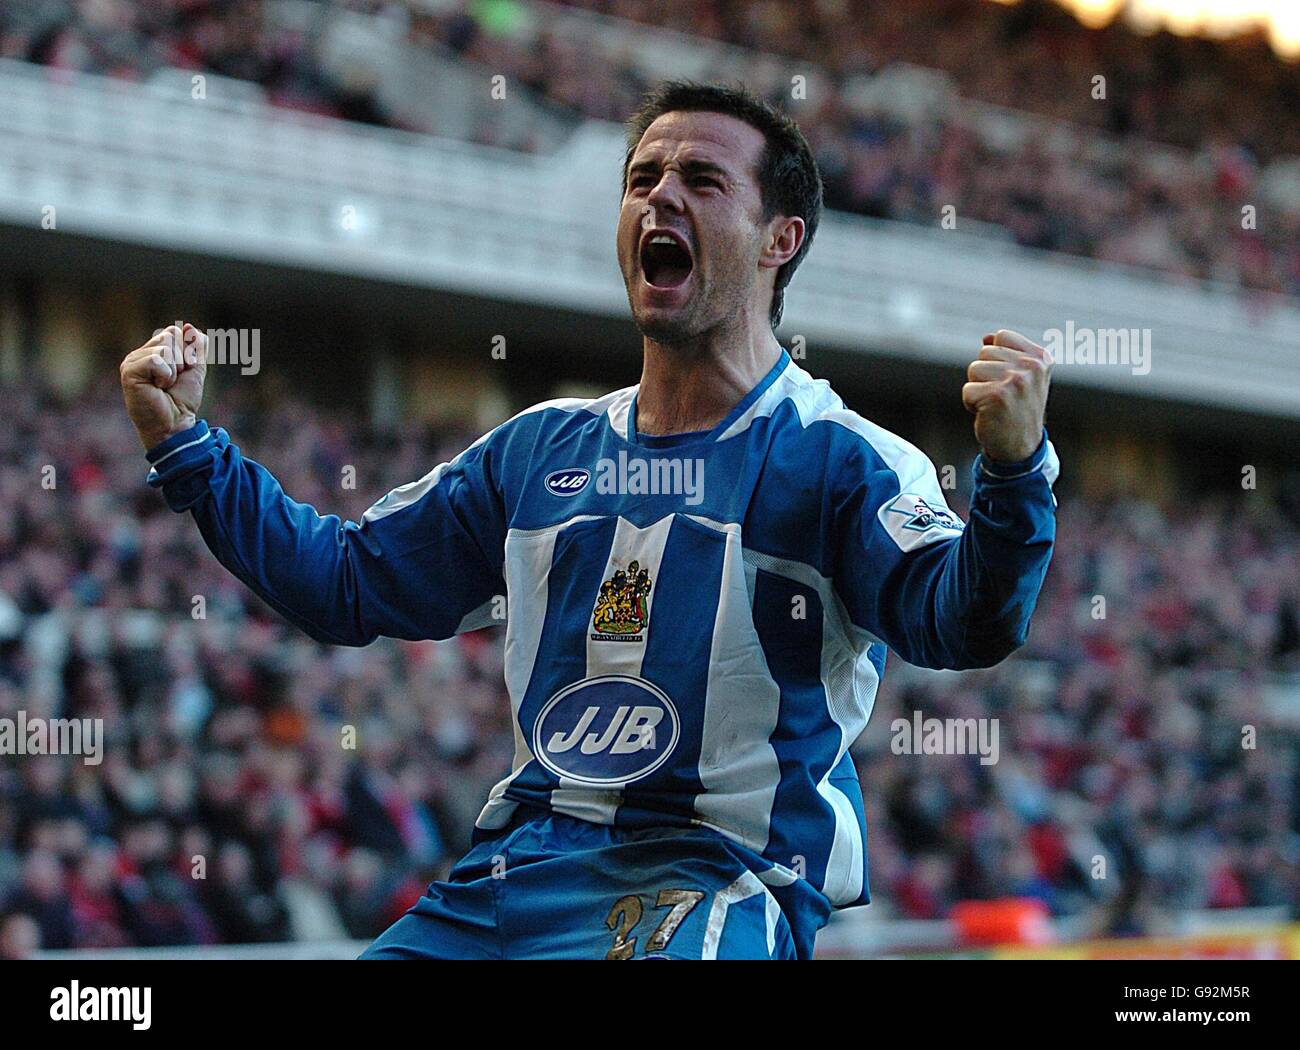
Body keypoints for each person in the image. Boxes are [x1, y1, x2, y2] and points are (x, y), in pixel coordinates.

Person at [118, 81, 1057, 959]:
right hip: (516, 872)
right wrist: (193, 451)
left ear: (780, 238)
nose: (660, 198)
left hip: (714, 881)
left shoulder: (839, 459)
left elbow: (966, 620)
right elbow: (348, 583)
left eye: (701, 179)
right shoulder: (538, 452)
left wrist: (1015, 474)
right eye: (642, 178)